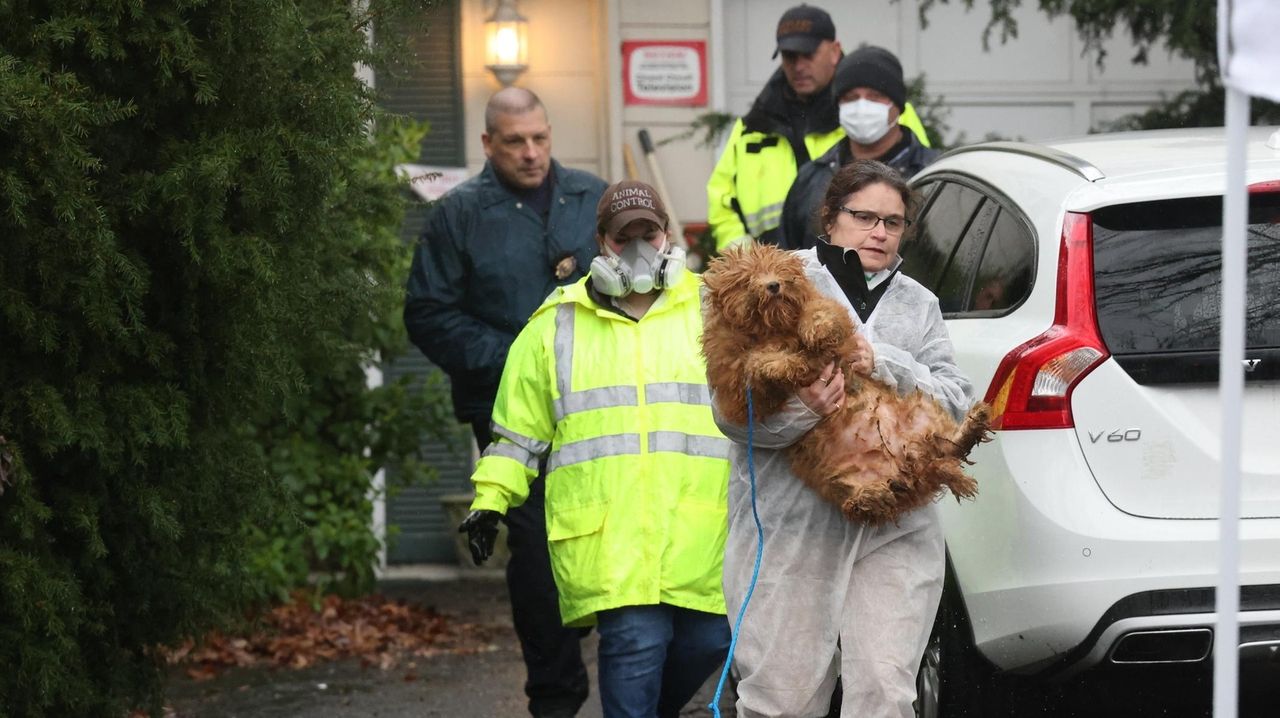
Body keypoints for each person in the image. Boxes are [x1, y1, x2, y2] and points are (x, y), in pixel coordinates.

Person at [458, 180, 733, 718]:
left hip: (703, 529)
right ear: (600, 243)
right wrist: (490, 500)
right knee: (635, 648)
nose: (637, 248)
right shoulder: (554, 325)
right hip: (612, 538)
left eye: (648, 234)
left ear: (667, 236)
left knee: (710, 645)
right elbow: (518, 432)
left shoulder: (716, 312)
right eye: (622, 236)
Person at [714, 161, 977, 718]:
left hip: (896, 521)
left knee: (885, 691)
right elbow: (731, 412)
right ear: (830, 219)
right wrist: (806, 412)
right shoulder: (775, 281)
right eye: (864, 217)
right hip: (793, 526)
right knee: (783, 701)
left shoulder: (919, 304)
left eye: (894, 222)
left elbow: (955, 401)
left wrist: (884, 360)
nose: (879, 232)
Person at [403, 87, 606, 718]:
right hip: (504, 411)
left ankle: (578, 631)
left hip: (598, 401)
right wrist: (517, 357)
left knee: (595, 534)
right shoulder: (459, 214)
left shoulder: (591, 198)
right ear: (488, 144)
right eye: (515, 141)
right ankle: (555, 692)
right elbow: (428, 314)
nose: (531, 152)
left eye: (540, 138)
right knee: (538, 542)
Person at [706, 5, 930, 251]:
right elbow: (722, 202)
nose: (799, 66)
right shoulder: (754, 125)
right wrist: (747, 260)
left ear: (834, 51)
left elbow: (922, 183)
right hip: (774, 270)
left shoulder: (887, 111)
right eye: (790, 56)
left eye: (808, 54)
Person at [777, 45, 941, 252]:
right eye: (851, 98)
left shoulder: (933, 175)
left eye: (874, 97)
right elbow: (786, 262)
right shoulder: (812, 178)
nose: (862, 106)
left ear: (897, 105)